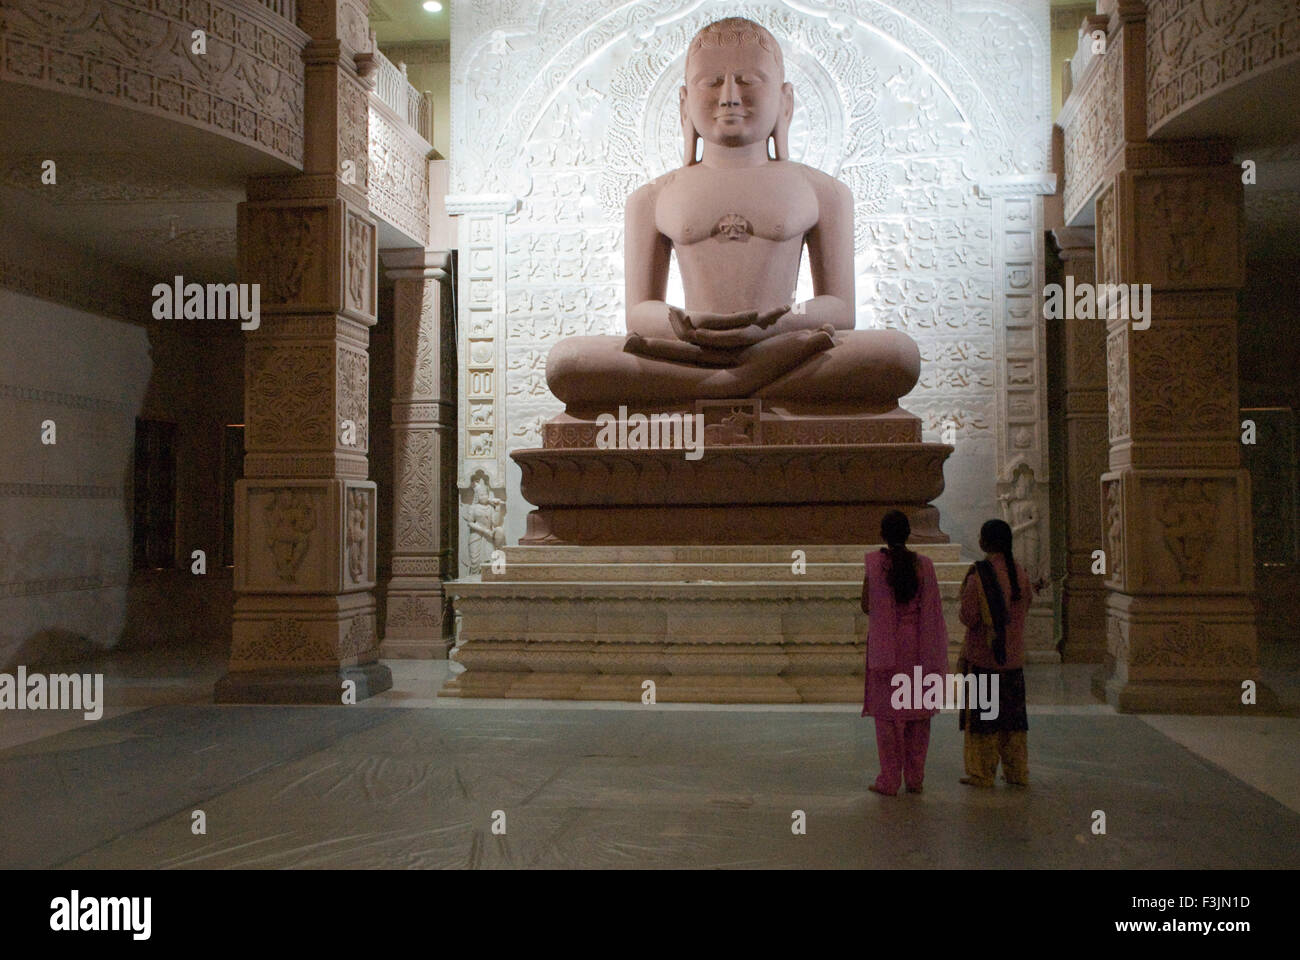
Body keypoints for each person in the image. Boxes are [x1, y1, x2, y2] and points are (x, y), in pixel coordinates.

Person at [861, 510, 948, 796]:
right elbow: (932, 608)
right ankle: (915, 777)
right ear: (909, 534)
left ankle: (889, 779)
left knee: (887, 715)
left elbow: (866, 605)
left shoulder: (875, 565)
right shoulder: (924, 565)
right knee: (917, 714)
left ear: (883, 535)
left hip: (887, 645)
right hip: (917, 645)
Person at [957, 518, 1041, 787]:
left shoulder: (979, 576)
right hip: (1013, 659)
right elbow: (1025, 606)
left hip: (985, 657)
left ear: (983, 542)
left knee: (984, 720)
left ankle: (982, 773)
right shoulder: (1020, 573)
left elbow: (969, 617)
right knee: (1013, 721)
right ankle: (1017, 772)